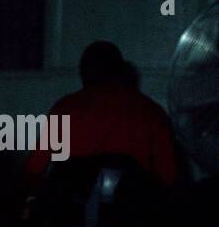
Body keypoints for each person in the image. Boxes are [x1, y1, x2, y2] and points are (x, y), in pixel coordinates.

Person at [23, 41, 176, 190]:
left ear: (83, 73)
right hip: (133, 210)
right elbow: (169, 177)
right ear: (120, 72)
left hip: (71, 209)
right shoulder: (150, 111)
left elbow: (34, 169)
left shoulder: (65, 108)